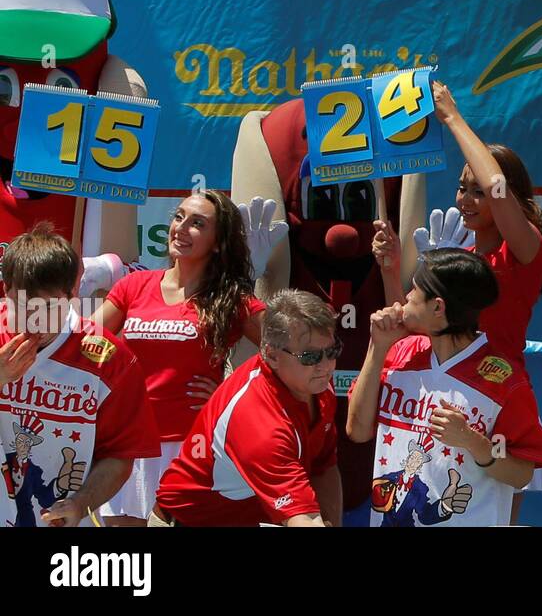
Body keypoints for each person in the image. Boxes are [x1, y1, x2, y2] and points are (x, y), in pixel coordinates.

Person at [91, 191, 268, 525]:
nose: (181, 228)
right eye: (179, 217)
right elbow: (83, 345)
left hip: (190, 447)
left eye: (197, 223)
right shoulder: (133, 286)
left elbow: (290, 349)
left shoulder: (228, 299)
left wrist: (231, 398)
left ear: (218, 242)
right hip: (128, 444)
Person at [348, 249, 542, 526]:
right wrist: (378, 346)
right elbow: (357, 431)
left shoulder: (505, 381)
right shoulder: (398, 353)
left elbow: (522, 474)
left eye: (416, 289)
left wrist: (474, 442)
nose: (406, 296)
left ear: (437, 307)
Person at [373, 81, 542, 364]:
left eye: (478, 192)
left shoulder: (524, 251)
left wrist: (452, 118)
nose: (465, 200)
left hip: (497, 394)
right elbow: (408, 324)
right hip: (443, 393)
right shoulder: (459, 260)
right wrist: (389, 269)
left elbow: (496, 187)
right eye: (462, 188)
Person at [0, 223, 158, 527]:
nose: (34, 321)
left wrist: (81, 503)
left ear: (72, 294)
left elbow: (120, 455)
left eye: (48, 307)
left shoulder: (110, 360)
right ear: (6, 290)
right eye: (22, 305)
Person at [152, 289, 342, 526]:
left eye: (332, 352)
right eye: (310, 357)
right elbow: (304, 521)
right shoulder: (258, 421)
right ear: (272, 356)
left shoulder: (316, 383)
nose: (326, 366)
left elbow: (324, 466)